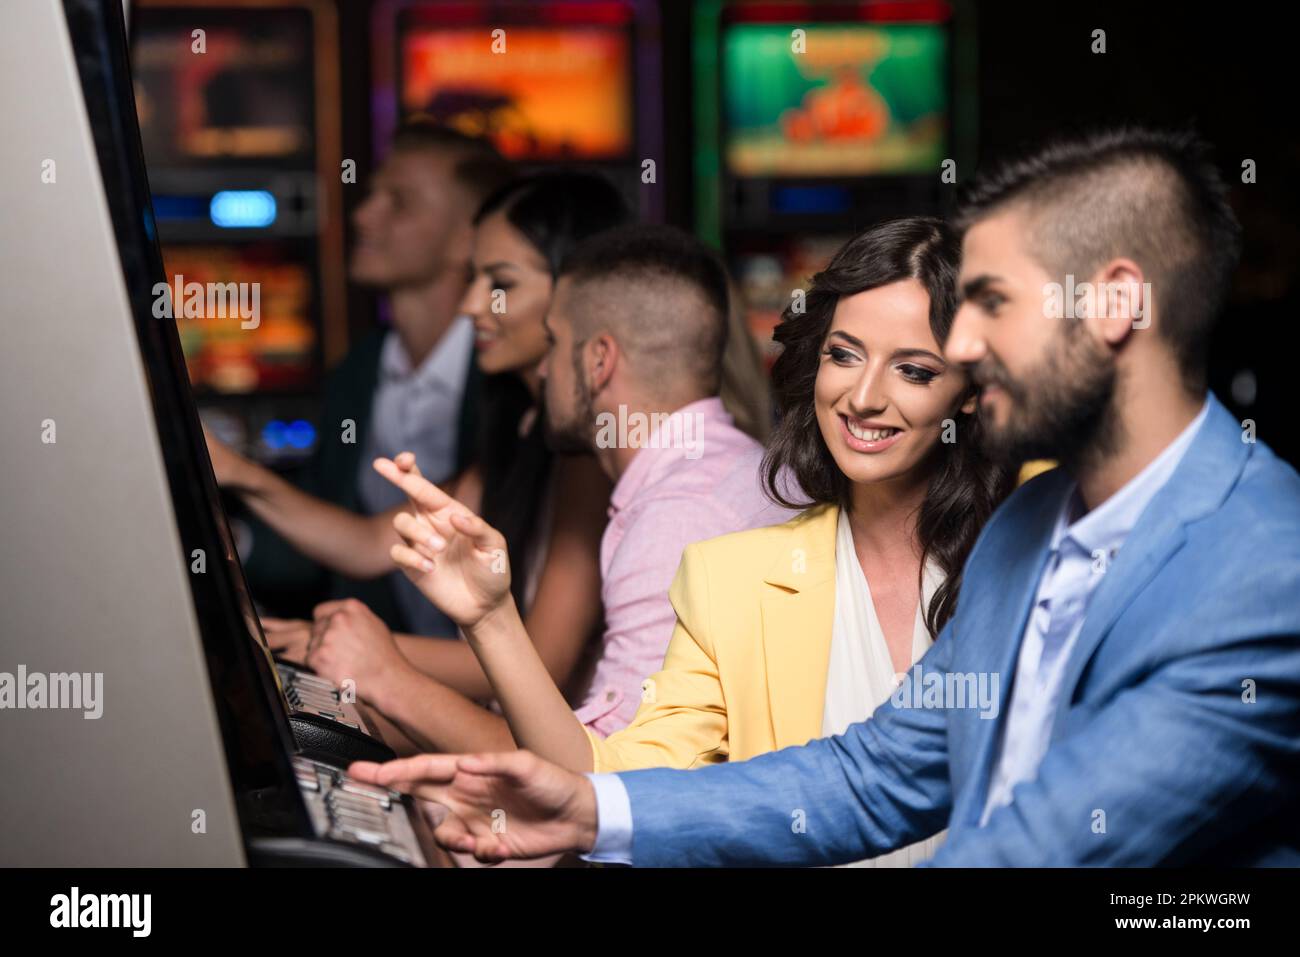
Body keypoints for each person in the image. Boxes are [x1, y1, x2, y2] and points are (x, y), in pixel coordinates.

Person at [353, 126, 1300, 867]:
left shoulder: (1265, 563)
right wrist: (596, 807)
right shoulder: (1029, 528)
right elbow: (873, 775)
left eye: (994, 304)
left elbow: (1044, 850)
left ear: (1114, 305)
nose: (963, 346)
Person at [372, 217, 1015, 868]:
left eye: (912, 369)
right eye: (843, 354)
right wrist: (491, 616)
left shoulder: (1029, 562)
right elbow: (616, 781)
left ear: (969, 391)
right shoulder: (731, 578)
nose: (864, 397)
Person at [309, 224, 795, 757]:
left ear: (598, 360)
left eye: (555, 342)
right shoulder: (713, 470)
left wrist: (386, 677)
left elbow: (606, 787)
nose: (542, 369)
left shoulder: (679, 517)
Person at [218, 171, 630, 721]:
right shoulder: (525, 424)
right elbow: (368, 543)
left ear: (576, 293)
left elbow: (544, 661)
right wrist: (238, 474)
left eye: (499, 285)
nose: (470, 305)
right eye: (474, 279)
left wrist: (358, 648)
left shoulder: (590, 452)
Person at [208, 121, 513, 636]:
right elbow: (321, 543)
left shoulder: (505, 376)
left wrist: (233, 468)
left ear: (467, 239)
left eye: (400, 203)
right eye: (372, 195)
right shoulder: (361, 369)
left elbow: (371, 543)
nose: (364, 215)